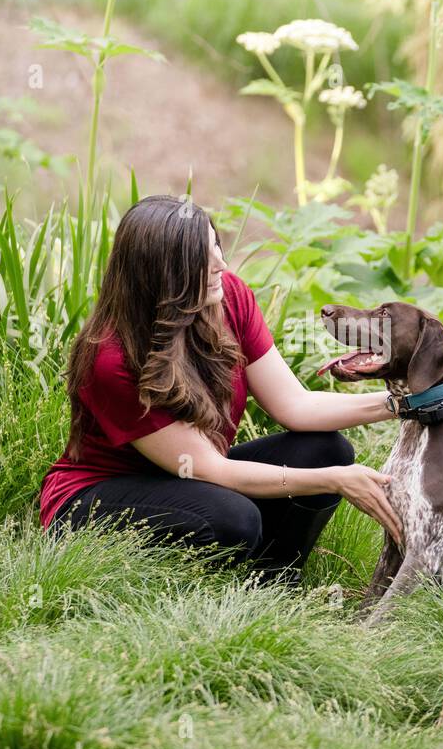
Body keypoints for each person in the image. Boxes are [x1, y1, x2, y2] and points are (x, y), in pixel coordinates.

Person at [38, 194, 402, 584]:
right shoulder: (111, 358)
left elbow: (296, 406)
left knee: (326, 450)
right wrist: (333, 480)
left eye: (217, 248)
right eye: (203, 260)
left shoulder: (229, 297)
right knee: (233, 517)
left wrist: (402, 402)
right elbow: (210, 468)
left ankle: (272, 582)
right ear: (163, 273)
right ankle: (190, 582)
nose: (221, 266)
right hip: (98, 497)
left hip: (190, 476)